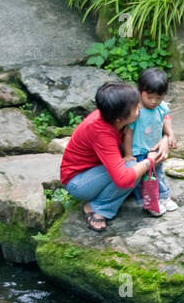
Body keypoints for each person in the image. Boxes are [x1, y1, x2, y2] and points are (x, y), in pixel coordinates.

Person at [60, 81, 160, 232]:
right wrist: (149, 162)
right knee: (132, 168)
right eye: (135, 106)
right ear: (120, 118)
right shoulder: (101, 131)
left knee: (134, 163)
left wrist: (165, 140)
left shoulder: (114, 115)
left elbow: (158, 122)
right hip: (79, 181)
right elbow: (123, 178)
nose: (140, 106)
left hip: (99, 168)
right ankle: (97, 207)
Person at [122, 67, 178, 215]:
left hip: (155, 149)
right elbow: (128, 133)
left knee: (158, 174)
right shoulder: (136, 110)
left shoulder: (161, 106)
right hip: (139, 152)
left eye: (158, 98)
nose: (154, 102)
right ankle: (148, 202)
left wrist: (169, 134)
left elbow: (166, 117)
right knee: (144, 179)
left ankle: (164, 197)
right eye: (149, 97)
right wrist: (128, 154)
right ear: (140, 91)